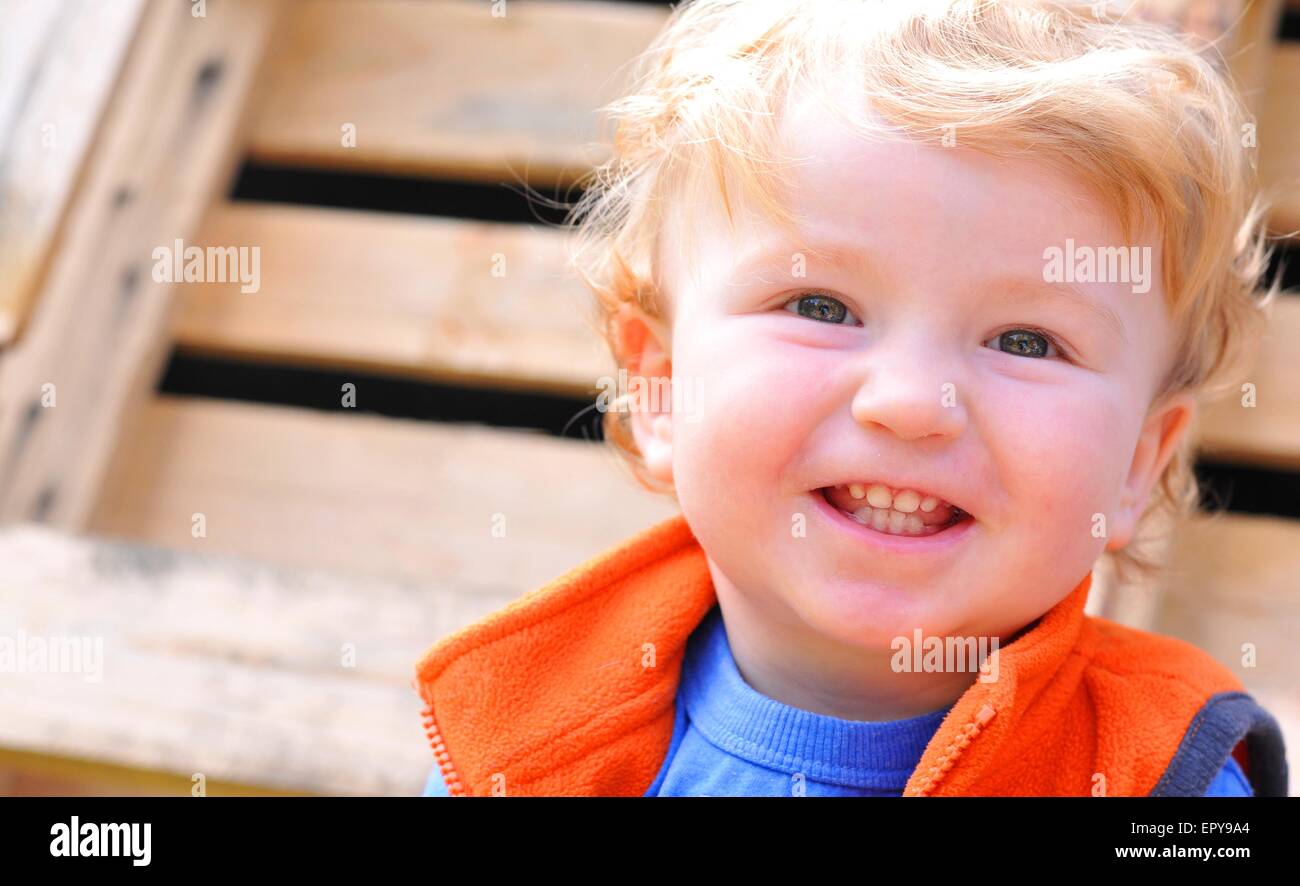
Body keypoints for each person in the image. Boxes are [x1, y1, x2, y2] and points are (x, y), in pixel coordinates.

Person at [414, 0, 1288, 796]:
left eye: (1026, 341)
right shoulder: (522, 741)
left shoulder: (1166, 777)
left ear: (1137, 465)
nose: (911, 402)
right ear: (661, 385)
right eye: (821, 306)